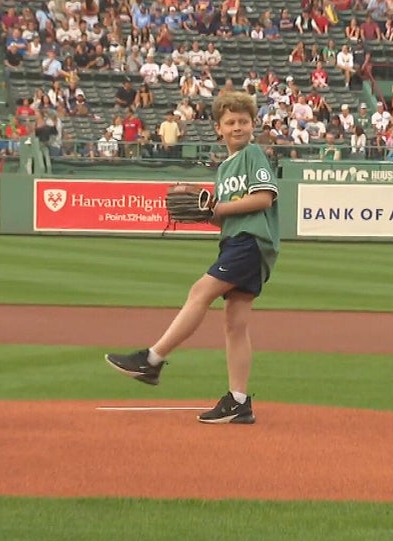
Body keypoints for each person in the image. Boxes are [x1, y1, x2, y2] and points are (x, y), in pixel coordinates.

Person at [105, 91, 280, 425]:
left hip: (249, 240)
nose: (238, 127)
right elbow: (221, 217)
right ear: (218, 129)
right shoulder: (225, 168)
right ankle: (239, 402)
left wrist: (217, 207)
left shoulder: (253, 154)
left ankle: (152, 361)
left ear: (253, 125)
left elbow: (263, 199)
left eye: (244, 121)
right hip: (237, 240)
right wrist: (204, 211)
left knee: (200, 292)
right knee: (235, 324)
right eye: (231, 122)